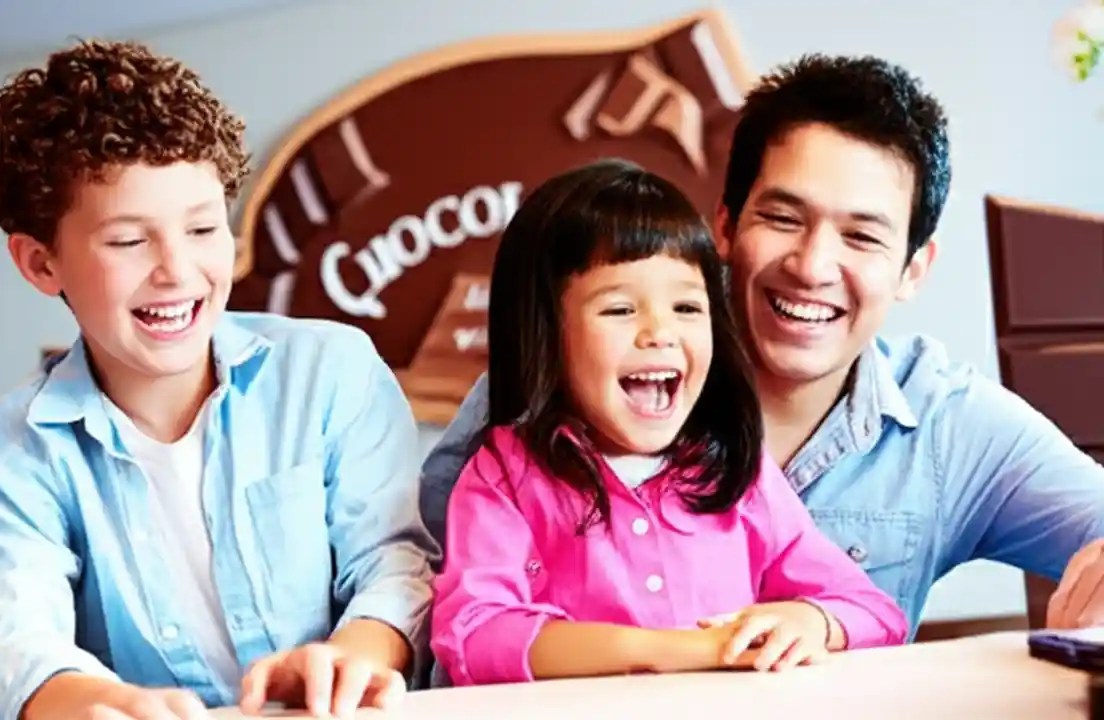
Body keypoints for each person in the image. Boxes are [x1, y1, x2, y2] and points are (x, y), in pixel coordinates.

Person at [422, 54, 1104, 639]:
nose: (811, 266)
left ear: (913, 269)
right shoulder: (565, 382)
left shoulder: (951, 426)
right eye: (782, 218)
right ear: (724, 225)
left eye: (861, 237)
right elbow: (437, 606)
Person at [0, 39, 438, 720]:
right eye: (129, 241)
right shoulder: (15, 447)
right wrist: (104, 703)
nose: (178, 271)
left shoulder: (332, 371)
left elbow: (395, 566)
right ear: (41, 263)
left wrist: (349, 658)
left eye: (203, 228)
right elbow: (22, 646)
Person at [429, 159, 907, 687]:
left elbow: (874, 610)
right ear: (544, 333)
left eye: (686, 307)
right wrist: (668, 650)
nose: (660, 332)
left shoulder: (738, 473)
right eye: (619, 310)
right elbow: (475, 636)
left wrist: (811, 621)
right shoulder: (504, 476)